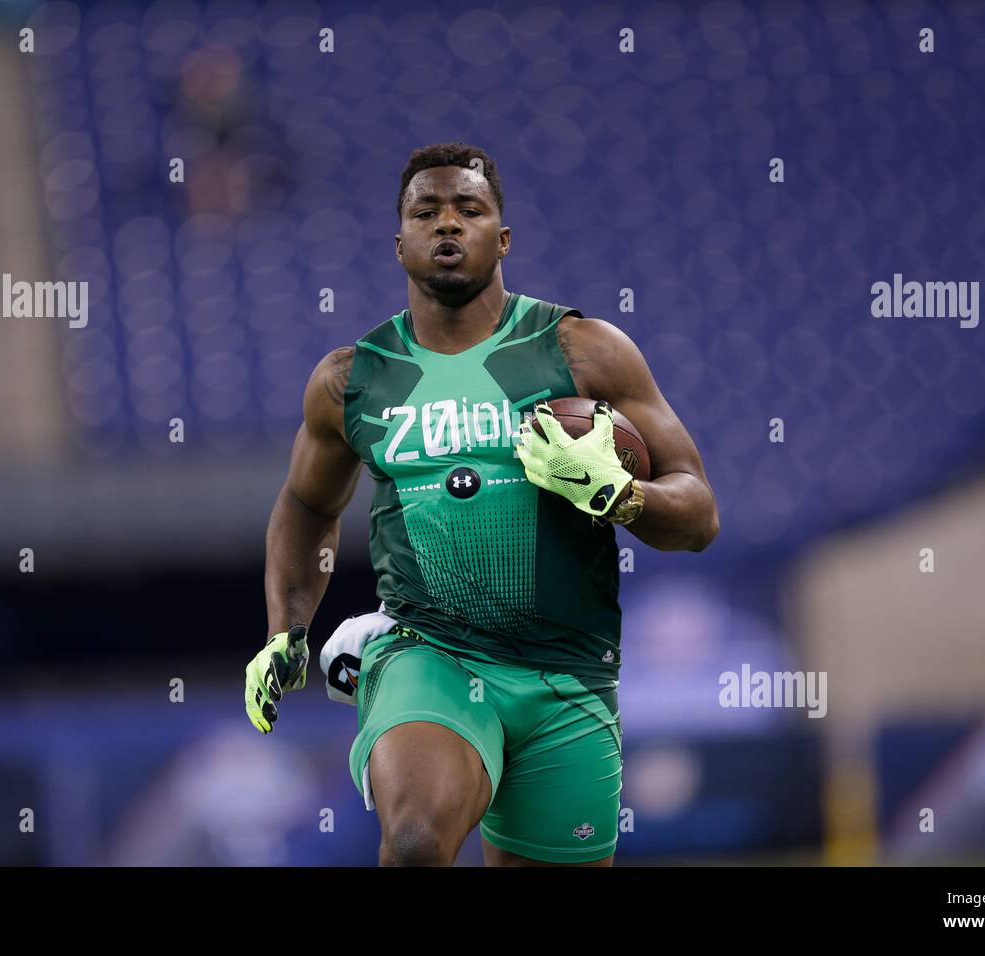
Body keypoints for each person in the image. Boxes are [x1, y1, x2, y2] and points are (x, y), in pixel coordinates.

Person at [246, 143, 718, 866]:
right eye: (425, 210)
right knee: (415, 841)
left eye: (469, 209)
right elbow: (307, 505)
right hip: (431, 653)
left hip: (568, 674)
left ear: (502, 238)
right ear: (398, 240)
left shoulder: (585, 351)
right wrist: (287, 631)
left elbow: (697, 514)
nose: (446, 224)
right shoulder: (352, 380)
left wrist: (618, 496)